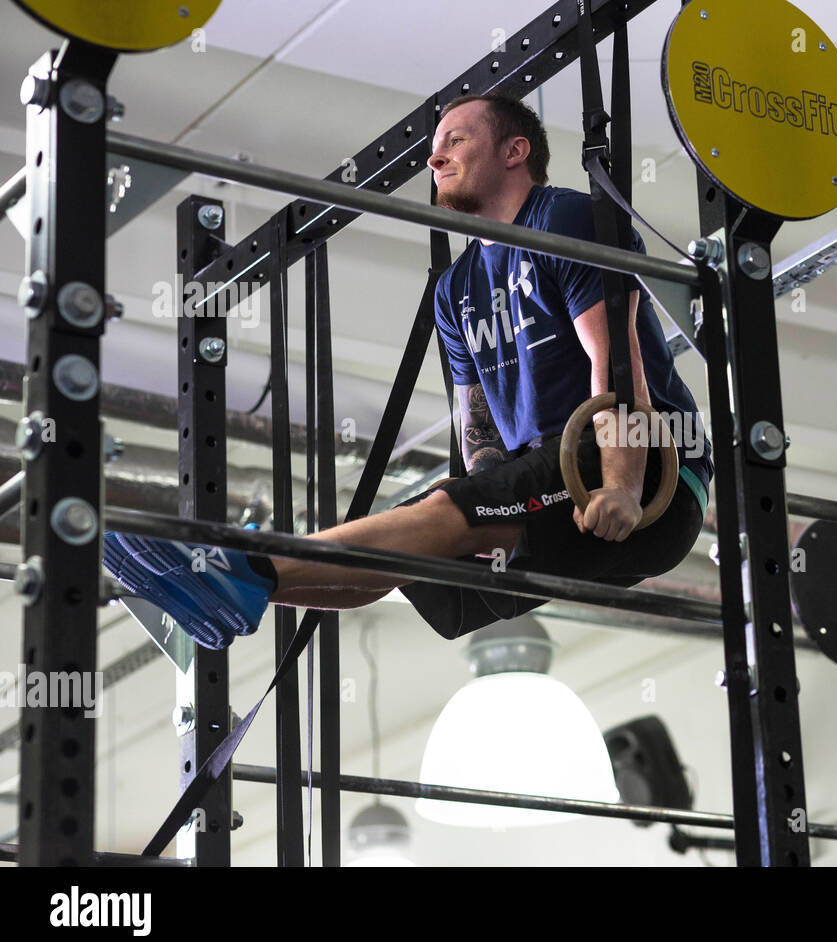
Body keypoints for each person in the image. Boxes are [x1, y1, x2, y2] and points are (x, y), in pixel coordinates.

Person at [102, 94, 713, 650]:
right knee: (419, 551)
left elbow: (618, 363)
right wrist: (484, 512)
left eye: (455, 140)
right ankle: (233, 592)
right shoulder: (456, 289)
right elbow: (481, 436)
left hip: (645, 473)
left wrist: (625, 486)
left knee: (435, 517)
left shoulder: (568, 221)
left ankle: (236, 564)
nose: (435, 158)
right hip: (557, 485)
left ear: (514, 150)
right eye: (434, 147)